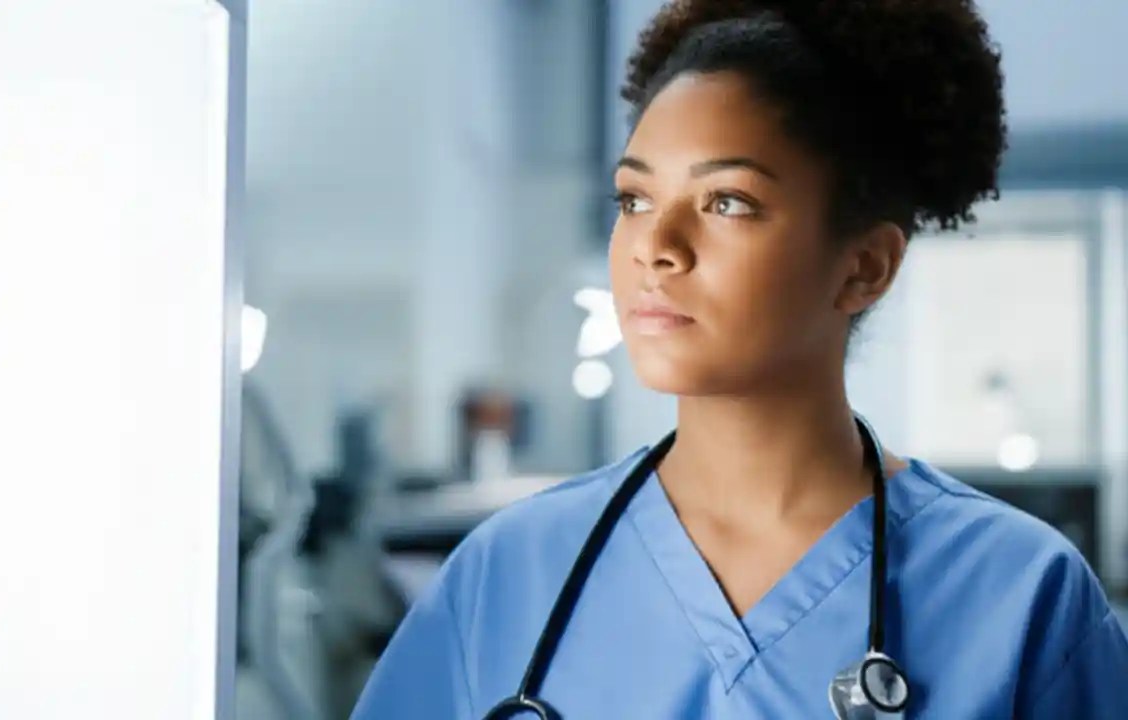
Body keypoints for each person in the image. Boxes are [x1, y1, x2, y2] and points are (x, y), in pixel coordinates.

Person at [350, 1, 1128, 717]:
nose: (656, 247)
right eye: (634, 199)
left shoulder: (1018, 594)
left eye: (728, 203)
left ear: (864, 267)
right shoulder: (506, 575)